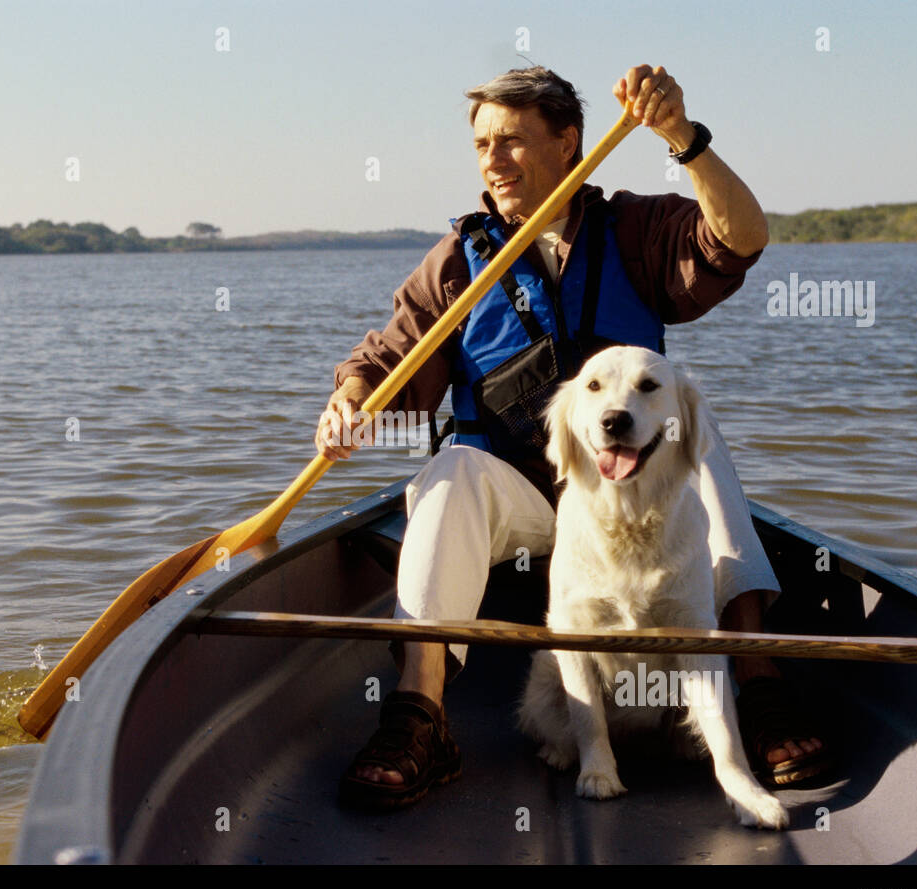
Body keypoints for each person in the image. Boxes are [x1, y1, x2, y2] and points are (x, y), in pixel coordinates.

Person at [316, 64, 830, 811]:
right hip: (526, 501)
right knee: (450, 468)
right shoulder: (460, 260)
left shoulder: (636, 230)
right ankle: (420, 714)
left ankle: (753, 680)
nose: (493, 160)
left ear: (569, 144)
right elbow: (386, 360)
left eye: (513, 142)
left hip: (635, 499)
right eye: (483, 144)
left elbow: (741, 237)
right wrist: (350, 402)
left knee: (693, 418)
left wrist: (682, 138)